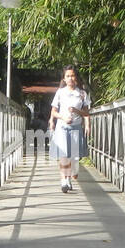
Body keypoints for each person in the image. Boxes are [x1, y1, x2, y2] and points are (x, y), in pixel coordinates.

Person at [49, 65, 89, 193]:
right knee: (64, 155)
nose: (70, 78)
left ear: (75, 77)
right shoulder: (60, 92)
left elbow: (86, 113)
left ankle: (70, 178)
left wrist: (87, 124)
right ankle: (64, 181)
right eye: (67, 76)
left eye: (72, 75)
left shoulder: (82, 94)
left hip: (76, 128)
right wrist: (61, 118)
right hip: (62, 127)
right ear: (64, 78)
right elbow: (54, 111)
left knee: (74, 158)